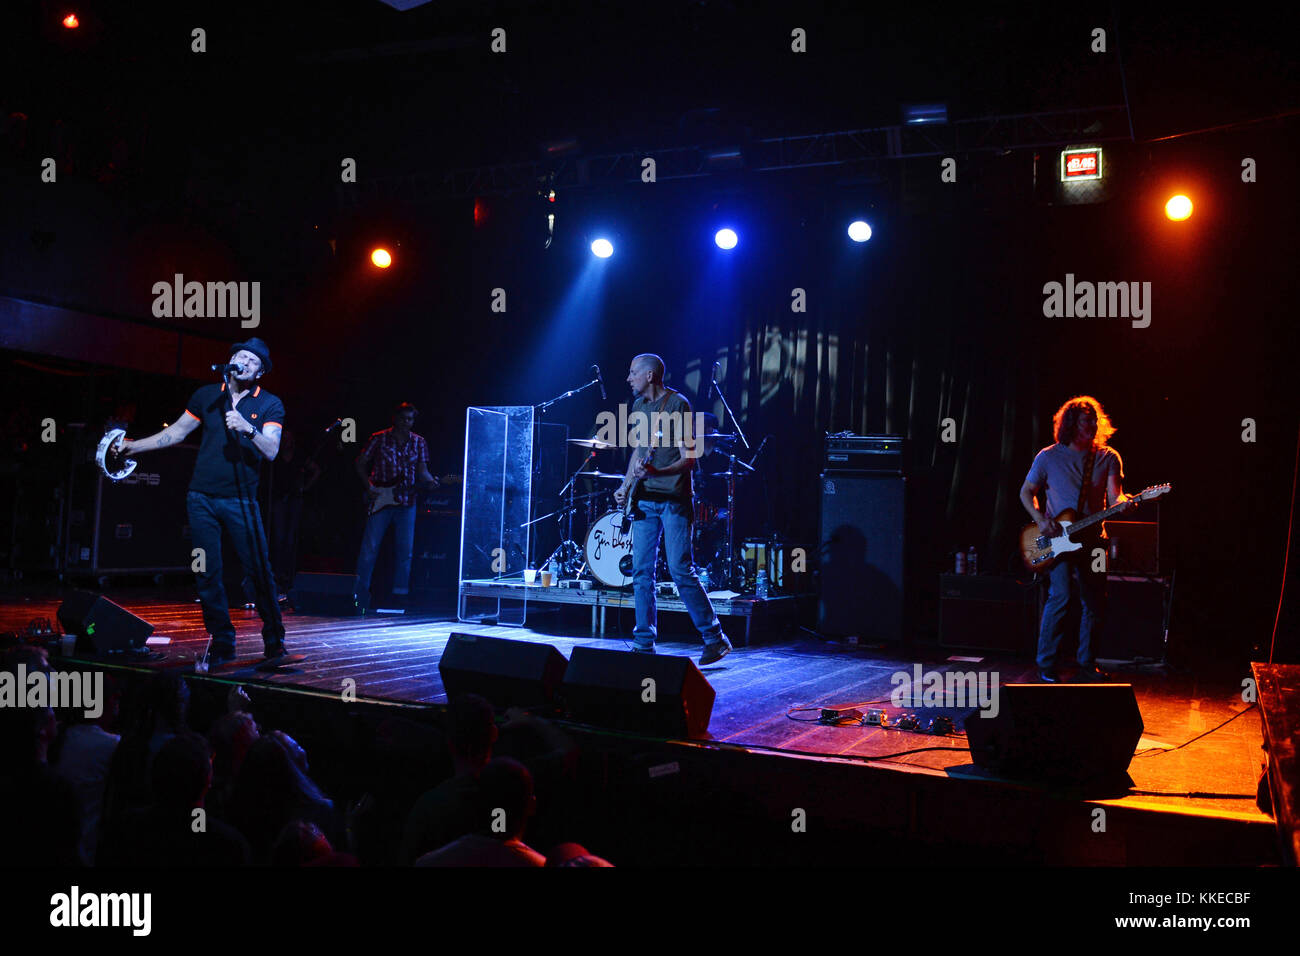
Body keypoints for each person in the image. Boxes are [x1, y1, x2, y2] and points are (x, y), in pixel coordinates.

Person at [113, 338, 288, 667]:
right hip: (201, 498)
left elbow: (272, 450)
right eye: (241, 356)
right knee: (207, 571)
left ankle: (274, 639)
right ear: (230, 360)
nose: (245, 362)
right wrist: (133, 447)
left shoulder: (269, 403)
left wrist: (247, 428)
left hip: (241, 501)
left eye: (253, 360)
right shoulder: (206, 396)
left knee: (259, 571)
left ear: (260, 371)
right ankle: (222, 640)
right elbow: (177, 433)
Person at [613, 354, 732, 665]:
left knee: (681, 571)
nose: (629, 378)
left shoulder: (678, 404)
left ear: (650, 375)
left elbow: (689, 460)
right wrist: (625, 486)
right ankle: (643, 645)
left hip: (675, 501)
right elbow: (638, 454)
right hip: (644, 501)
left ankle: (714, 638)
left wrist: (655, 473)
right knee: (641, 573)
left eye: (633, 372)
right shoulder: (638, 408)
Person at [1019, 396, 1137, 683]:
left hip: (1094, 541)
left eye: (1095, 419)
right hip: (1056, 539)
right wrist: (1041, 519)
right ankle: (1046, 664)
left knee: (1095, 601)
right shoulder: (1048, 456)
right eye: (1087, 420)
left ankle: (1087, 664)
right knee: (1060, 596)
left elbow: (1115, 495)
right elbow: (1026, 492)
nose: (1093, 425)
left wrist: (1126, 502)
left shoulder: (1108, 457)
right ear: (1072, 424)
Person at [353, 402, 440, 610]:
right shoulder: (379, 438)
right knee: (370, 548)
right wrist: (369, 486)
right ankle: (359, 592)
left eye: (410, 419)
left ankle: (400, 593)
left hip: (407, 501)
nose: (406, 423)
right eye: (403, 419)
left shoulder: (419, 442)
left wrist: (432, 482)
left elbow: (423, 471)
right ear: (395, 418)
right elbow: (360, 463)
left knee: (405, 550)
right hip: (381, 499)